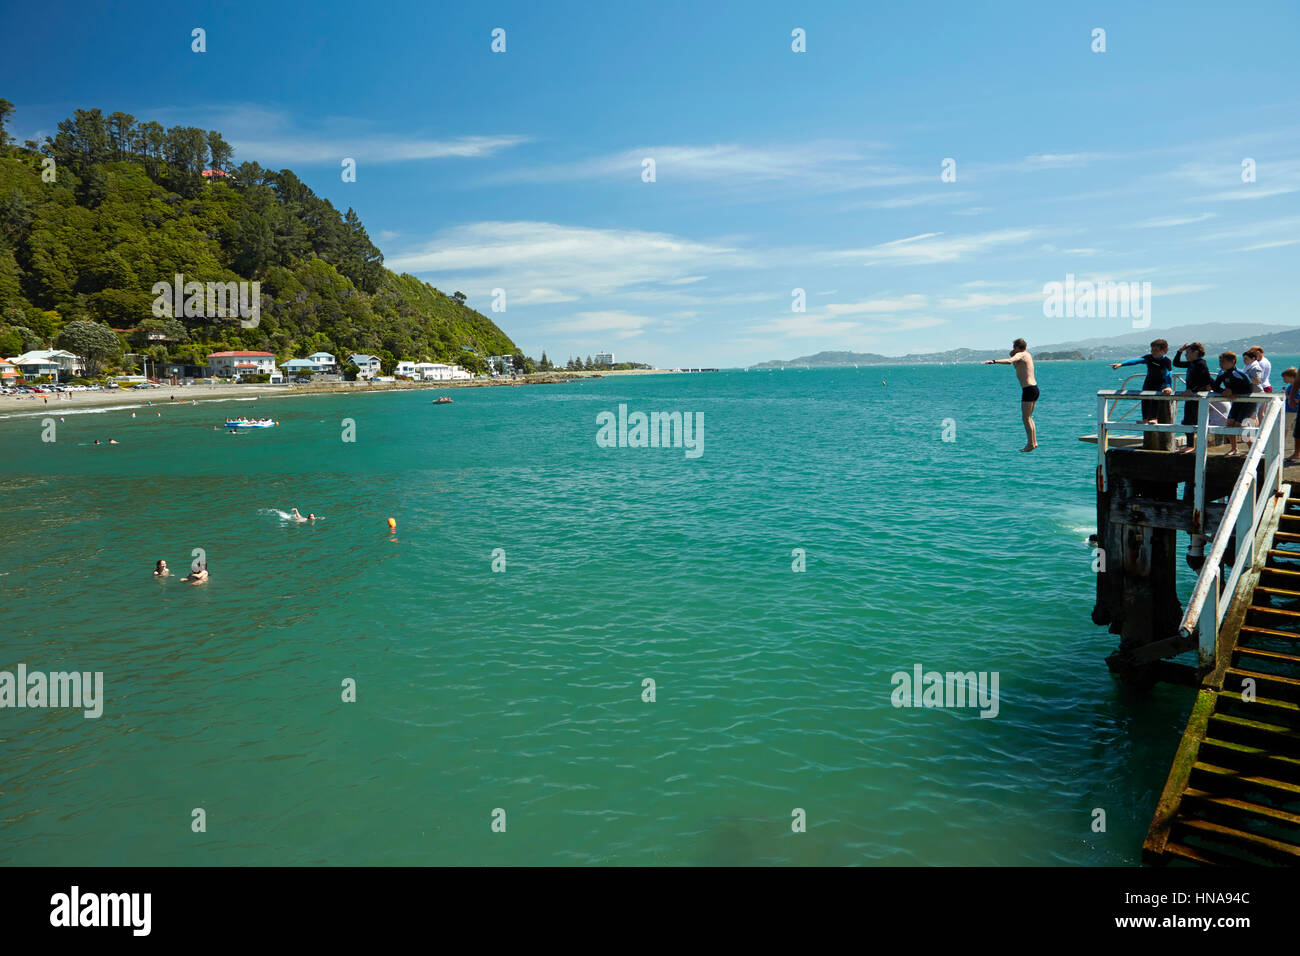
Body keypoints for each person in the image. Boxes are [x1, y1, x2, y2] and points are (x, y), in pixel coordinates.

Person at [982, 338, 1038, 451]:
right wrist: (1012, 353)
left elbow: (1009, 361)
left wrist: (993, 361)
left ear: (1017, 348)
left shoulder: (1021, 355)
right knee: (1029, 418)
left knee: (1026, 418)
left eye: (1014, 347)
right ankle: (1033, 442)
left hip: (1028, 389)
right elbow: (1013, 359)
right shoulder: (1027, 354)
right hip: (1034, 389)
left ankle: (1030, 444)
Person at [1112, 338, 1173, 424]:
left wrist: (1168, 386)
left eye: (1156, 350)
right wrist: (1121, 364)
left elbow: (1168, 374)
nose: (1153, 352)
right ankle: (1145, 419)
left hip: (1161, 383)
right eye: (1152, 350)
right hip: (1149, 382)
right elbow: (1136, 361)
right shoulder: (1149, 358)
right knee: (1144, 399)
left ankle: (1154, 418)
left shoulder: (1166, 361)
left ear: (1164, 351)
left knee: (1156, 399)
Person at [1173, 342, 1214, 453]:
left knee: (1196, 421)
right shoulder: (1191, 363)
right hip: (1190, 396)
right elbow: (1175, 363)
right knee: (1187, 421)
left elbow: (1206, 381)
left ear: (1195, 352)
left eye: (1188, 353)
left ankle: (1198, 445)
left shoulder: (1201, 363)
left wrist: (1193, 390)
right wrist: (1179, 351)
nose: (1186, 355)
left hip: (1198, 396)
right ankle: (1190, 445)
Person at [1211, 351, 1255, 456]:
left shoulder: (1240, 374)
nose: (1220, 364)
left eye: (1223, 362)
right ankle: (1234, 449)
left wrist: (1234, 392)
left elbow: (1250, 388)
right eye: (1220, 361)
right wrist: (1224, 391)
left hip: (1247, 403)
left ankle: (1252, 449)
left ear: (1233, 362)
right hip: (1237, 403)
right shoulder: (1222, 373)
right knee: (1229, 423)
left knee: (1240, 425)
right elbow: (1215, 386)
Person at [1283, 367, 1300, 463]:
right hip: (1291, 410)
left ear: (1292, 377)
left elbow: (1297, 399)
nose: (1284, 380)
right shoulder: (1291, 386)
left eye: (1285, 378)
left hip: (1291, 411)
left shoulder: (1295, 387)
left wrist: (1288, 397)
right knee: (1292, 429)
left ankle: (1282, 442)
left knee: (1286, 428)